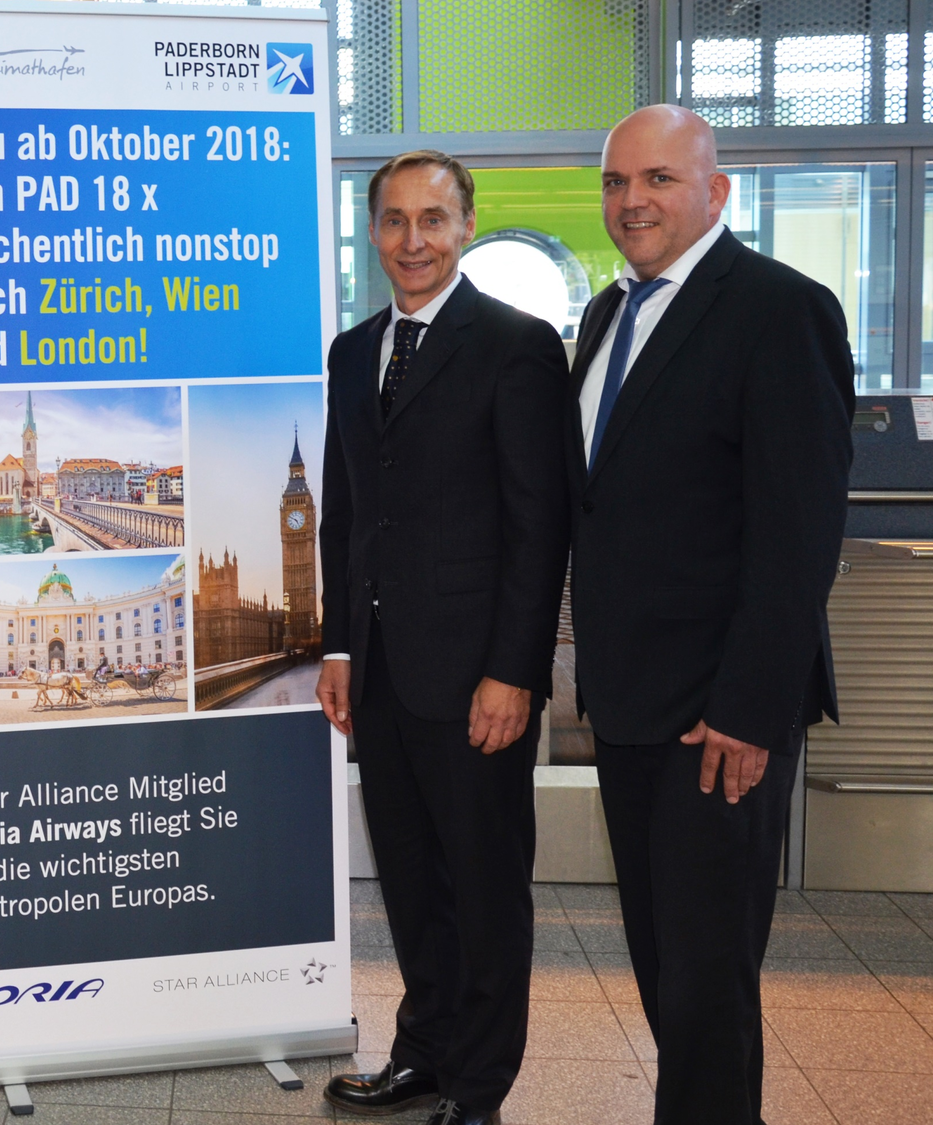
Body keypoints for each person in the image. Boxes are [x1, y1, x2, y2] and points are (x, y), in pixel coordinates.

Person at [573, 106, 852, 1125]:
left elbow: (798, 535)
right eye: (615, 183)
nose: (631, 201)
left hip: (717, 716)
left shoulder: (780, 310)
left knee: (705, 976)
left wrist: (748, 708)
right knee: (666, 964)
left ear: (715, 192)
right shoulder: (609, 318)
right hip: (631, 701)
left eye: (657, 180)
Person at [316, 151, 572, 1125]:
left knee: (486, 887)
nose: (412, 241)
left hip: (476, 680)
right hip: (380, 677)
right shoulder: (353, 352)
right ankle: (421, 1054)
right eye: (394, 221)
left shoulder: (515, 345)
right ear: (373, 231)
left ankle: (478, 1086)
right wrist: (340, 648)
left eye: (433, 220)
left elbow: (536, 523)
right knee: (414, 881)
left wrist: (515, 670)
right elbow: (347, 513)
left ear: (467, 226)